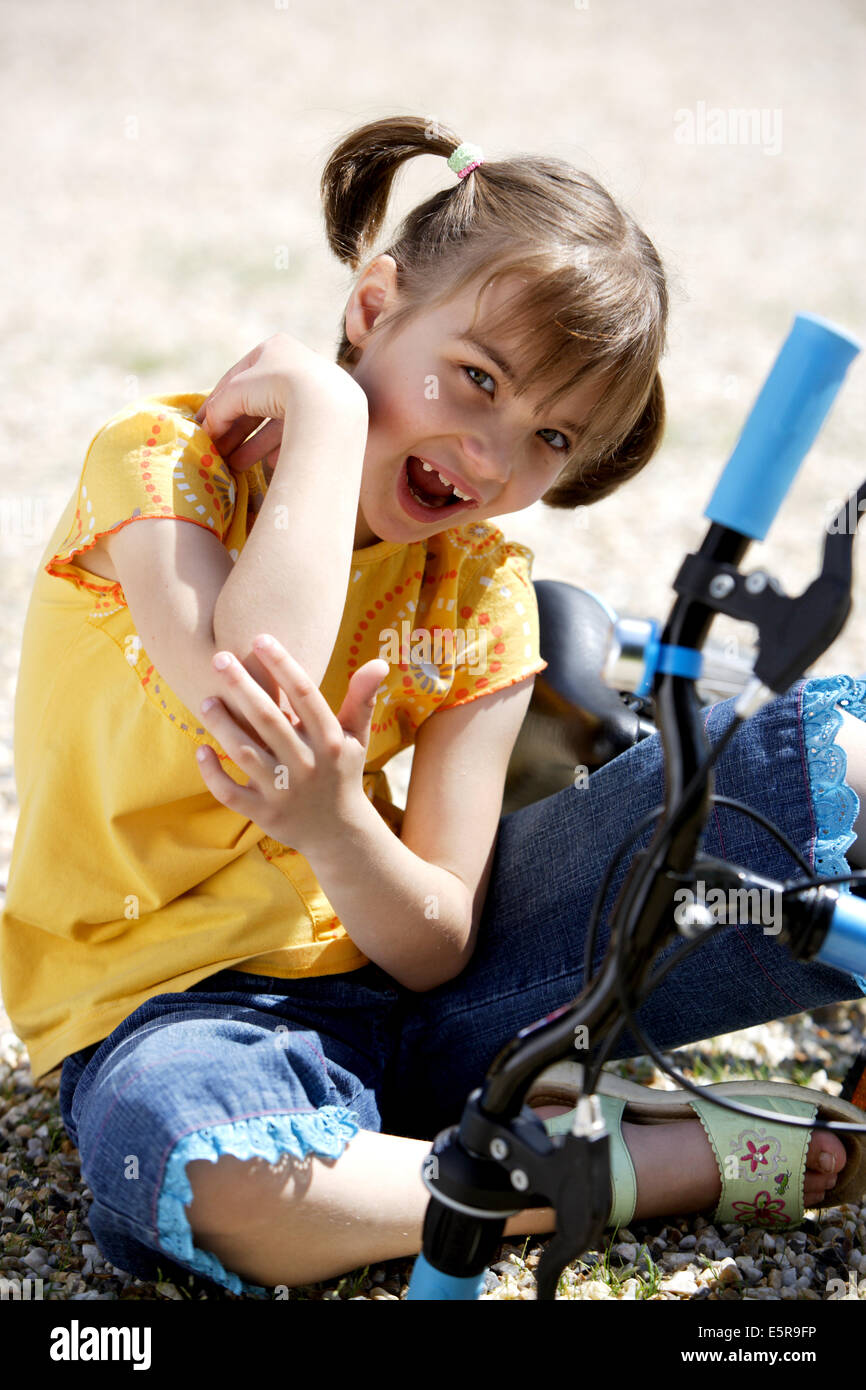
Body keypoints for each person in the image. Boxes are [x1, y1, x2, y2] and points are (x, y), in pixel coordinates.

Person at [3, 113, 866, 1299]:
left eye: (548, 436)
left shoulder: (479, 594)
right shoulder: (164, 465)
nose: (494, 452)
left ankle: (474, 1129)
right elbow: (260, 674)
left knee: (817, 767)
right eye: (476, 379)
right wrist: (330, 414)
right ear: (369, 310)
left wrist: (335, 828)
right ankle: (645, 1158)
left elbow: (432, 942)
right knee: (195, 1165)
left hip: (431, 1005)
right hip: (168, 1022)